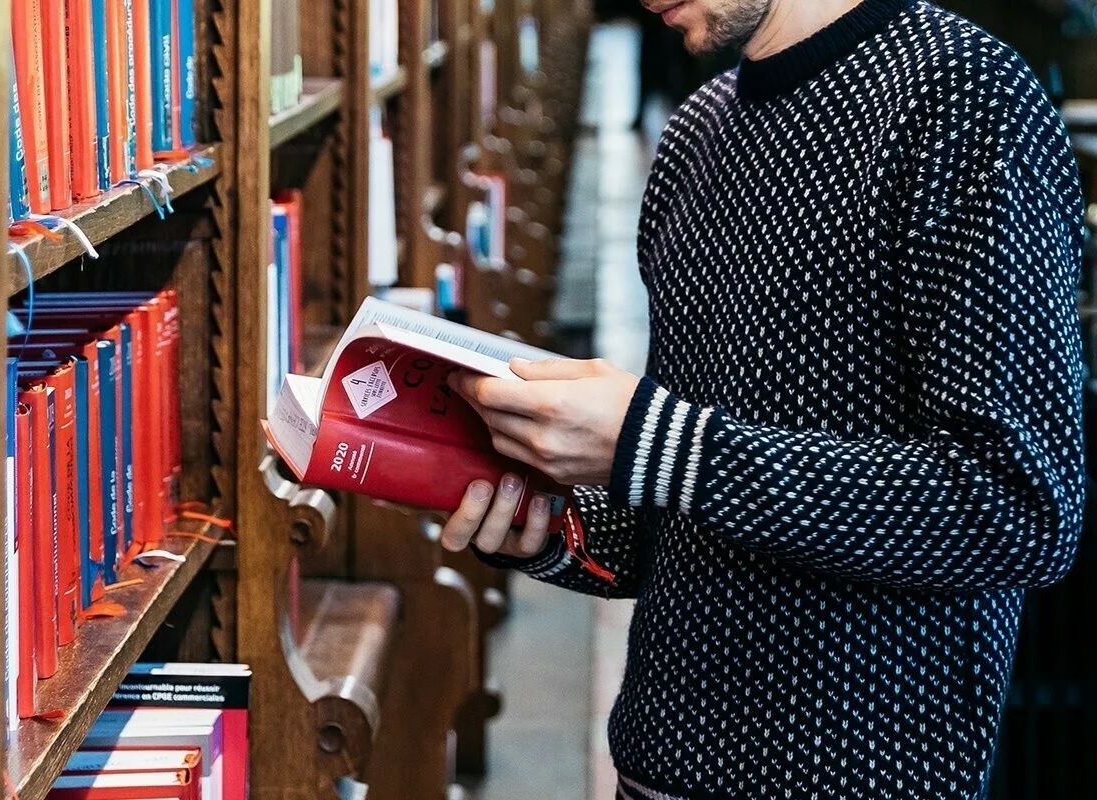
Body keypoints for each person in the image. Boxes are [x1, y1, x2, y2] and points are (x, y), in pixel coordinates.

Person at [440, 0, 1086, 798]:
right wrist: (545, 528)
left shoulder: (964, 98)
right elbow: (680, 530)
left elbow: (1019, 508)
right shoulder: (695, 135)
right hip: (655, 768)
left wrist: (654, 442)